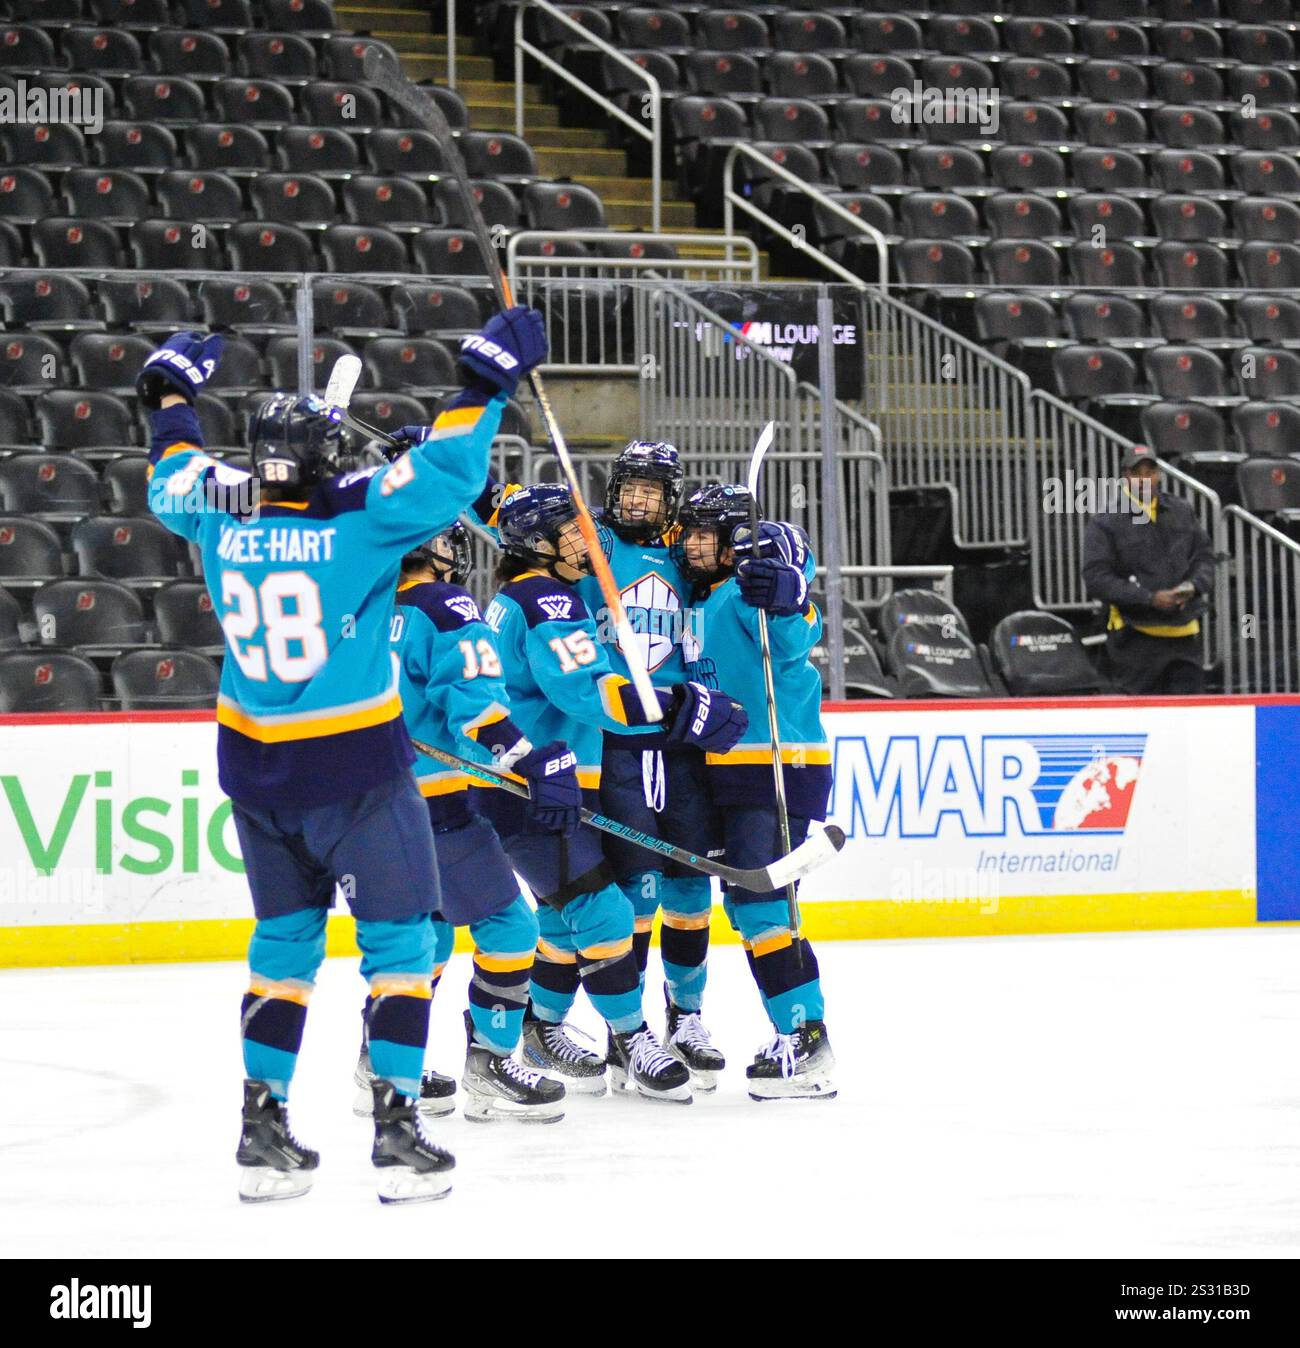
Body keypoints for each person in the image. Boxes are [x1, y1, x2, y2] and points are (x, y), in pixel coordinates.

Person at [144, 306, 547, 1201]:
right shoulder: (356, 523)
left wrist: (170, 399)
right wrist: (480, 386)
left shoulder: (220, 512)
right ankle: (399, 1130)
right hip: (358, 777)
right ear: (325, 464)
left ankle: (263, 1128)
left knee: (283, 946)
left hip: (257, 775)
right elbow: (442, 475)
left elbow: (170, 473)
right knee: (401, 946)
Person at [479, 482, 749, 1101]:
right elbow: (584, 688)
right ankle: (628, 1035)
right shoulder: (546, 600)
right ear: (537, 545)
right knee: (602, 911)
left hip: (544, 772)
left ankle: (537, 1028)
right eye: (569, 533)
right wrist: (677, 704)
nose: (583, 541)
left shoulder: (533, 593)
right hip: (532, 778)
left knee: (557, 913)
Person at [368, 519, 570, 1123]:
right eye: (447, 541)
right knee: (508, 929)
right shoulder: (443, 602)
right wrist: (524, 756)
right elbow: (475, 701)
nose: (455, 554)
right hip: (437, 802)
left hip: (373, 801)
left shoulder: (359, 605)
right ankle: (492, 1065)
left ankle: (379, 1064)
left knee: (420, 935)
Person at [574, 441, 730, 1090]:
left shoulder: (685, 556)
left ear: (670, 499)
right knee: (636, 896)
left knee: (691, 891)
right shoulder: (596, 544)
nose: (638, 498)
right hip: (619, 744)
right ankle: (628, 1034)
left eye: (651, 490)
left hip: (681, 743)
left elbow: (743, 553)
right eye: (629, 486)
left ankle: (686, 1018)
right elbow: (517, 530)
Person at [674, 485, 836, 1101]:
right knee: (747, 905)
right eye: (686, 533)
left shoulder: (748, 589)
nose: (691, 544)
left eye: (704, 534)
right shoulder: (705, 595)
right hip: (729, 771)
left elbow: (792, 639)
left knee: (766, 904)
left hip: (776, 768)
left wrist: (791, 593)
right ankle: (790, 1031)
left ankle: (806, 1038)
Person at [1082, 444, 1216, 695]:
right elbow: (1096, 578)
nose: (1144, 480)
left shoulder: (1181, 510)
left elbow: (1204, 557)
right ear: (1124, 477)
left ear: (1159, 475)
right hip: (1134, 640)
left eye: (1150, 472)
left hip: (1185, 637)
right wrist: (1149, 599)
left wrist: (1193, 586)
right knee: (1139, 722)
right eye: (1137, 473)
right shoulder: (1105, 521)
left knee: (1188, 723)